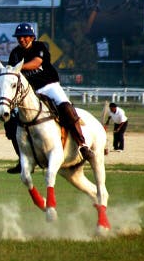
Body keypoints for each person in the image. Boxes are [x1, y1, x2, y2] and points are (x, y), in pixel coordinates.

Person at [5, 22, 94, 173]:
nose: (22, 39)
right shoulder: (15, 53)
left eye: (25, 37)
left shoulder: (40, 47)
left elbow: (36, 63)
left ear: (32, 37)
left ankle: (82, 144)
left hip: (49, 86)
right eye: (19, 37)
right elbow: (12, 76)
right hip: (30, 92)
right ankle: (22, 159)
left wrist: (19, 67)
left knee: (65, 106)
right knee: (11, 120)